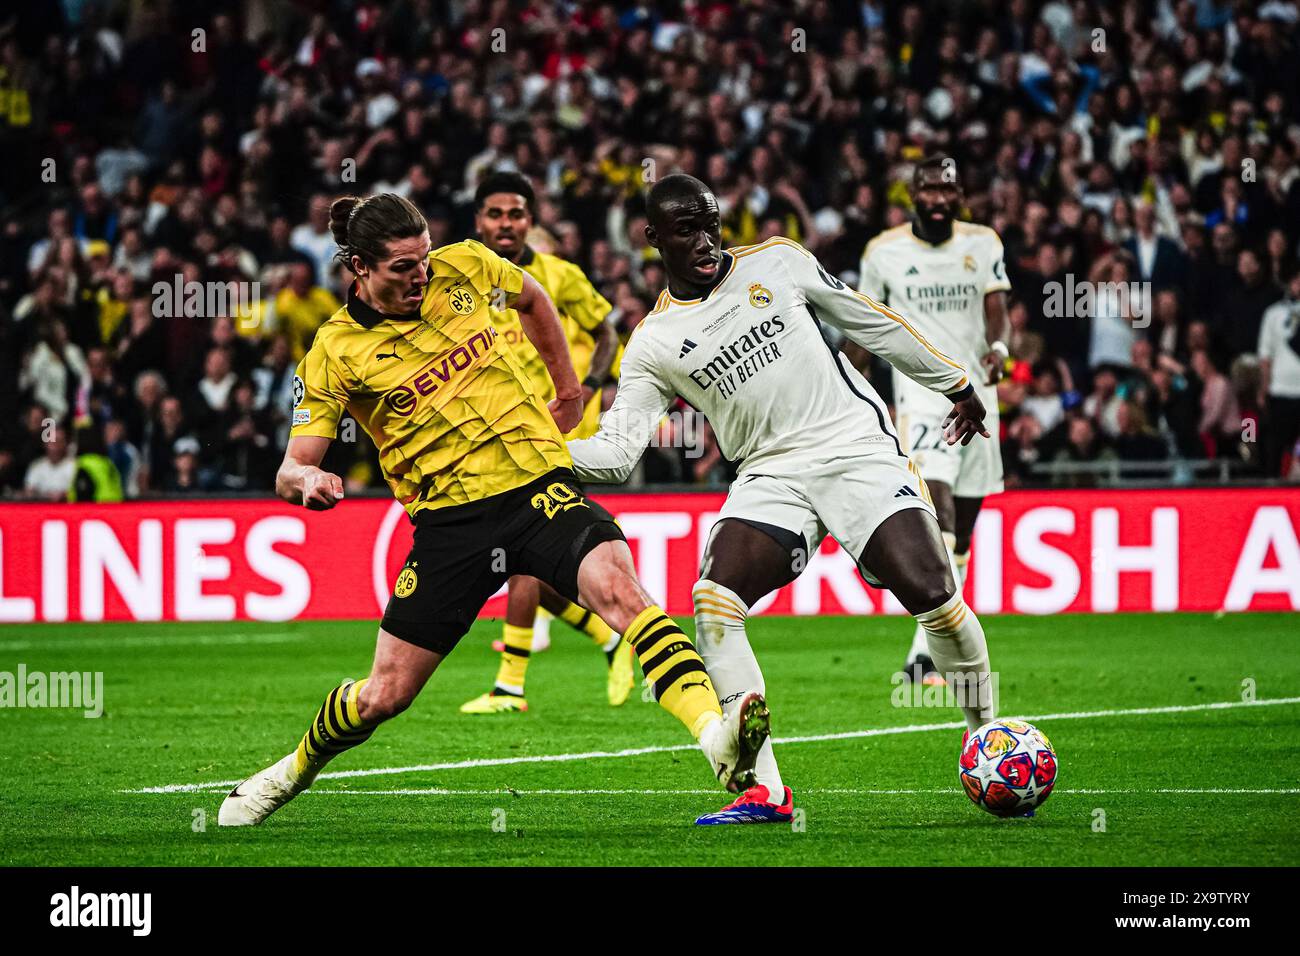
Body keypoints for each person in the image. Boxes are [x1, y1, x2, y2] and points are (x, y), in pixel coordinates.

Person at [219, 193, 768, 828]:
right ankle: (289, 774)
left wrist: (568, 388)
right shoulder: (334, 350)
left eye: (424, 258)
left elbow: (535, 299)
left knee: (623, 592)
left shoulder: (469, 266)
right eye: (402, 266)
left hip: (538, 486)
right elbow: (291, 467)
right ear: (358, 266)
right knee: (383, 697)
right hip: (450, 525)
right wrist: (309, 478)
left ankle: (715, 738)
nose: (422, 273)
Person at [568, 174, 998, 825]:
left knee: (935, 595)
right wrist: (537, 455)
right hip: (771, 476)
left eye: (713, 223)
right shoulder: (653, 343)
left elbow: (873, 324)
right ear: (652, 238)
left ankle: (986, 735)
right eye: (688, 230)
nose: (708, 241)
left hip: (853, 446)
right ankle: (764, 790)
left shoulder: (777, 260)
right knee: (714, 603)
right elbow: (618, 452)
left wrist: (956, 383)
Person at [459, 172, 633, 714]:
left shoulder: (560, 276)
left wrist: (592, 385)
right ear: (478, 221)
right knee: (529, 560)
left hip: (557, 438)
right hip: (494, 440)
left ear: (530, 221)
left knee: (522, 560)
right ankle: (611, 637)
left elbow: (606, 328)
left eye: (516, 214)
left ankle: (510, 686)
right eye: (495, 214)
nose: (506, 223)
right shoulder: (461, 284)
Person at [853, 156, 1011, 684]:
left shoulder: (983, 242)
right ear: (913, 194)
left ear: (958, 193)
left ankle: (938, 650)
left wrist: (999, 346)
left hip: (978, 396)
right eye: (929, 190)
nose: (939, 200)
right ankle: (924, 658)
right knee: (936, 513)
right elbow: (864, 326)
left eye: (948, 190)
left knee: (962, 537)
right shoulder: (883, 252)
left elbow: (997, 306)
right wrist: (841, 383)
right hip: (921, 397)